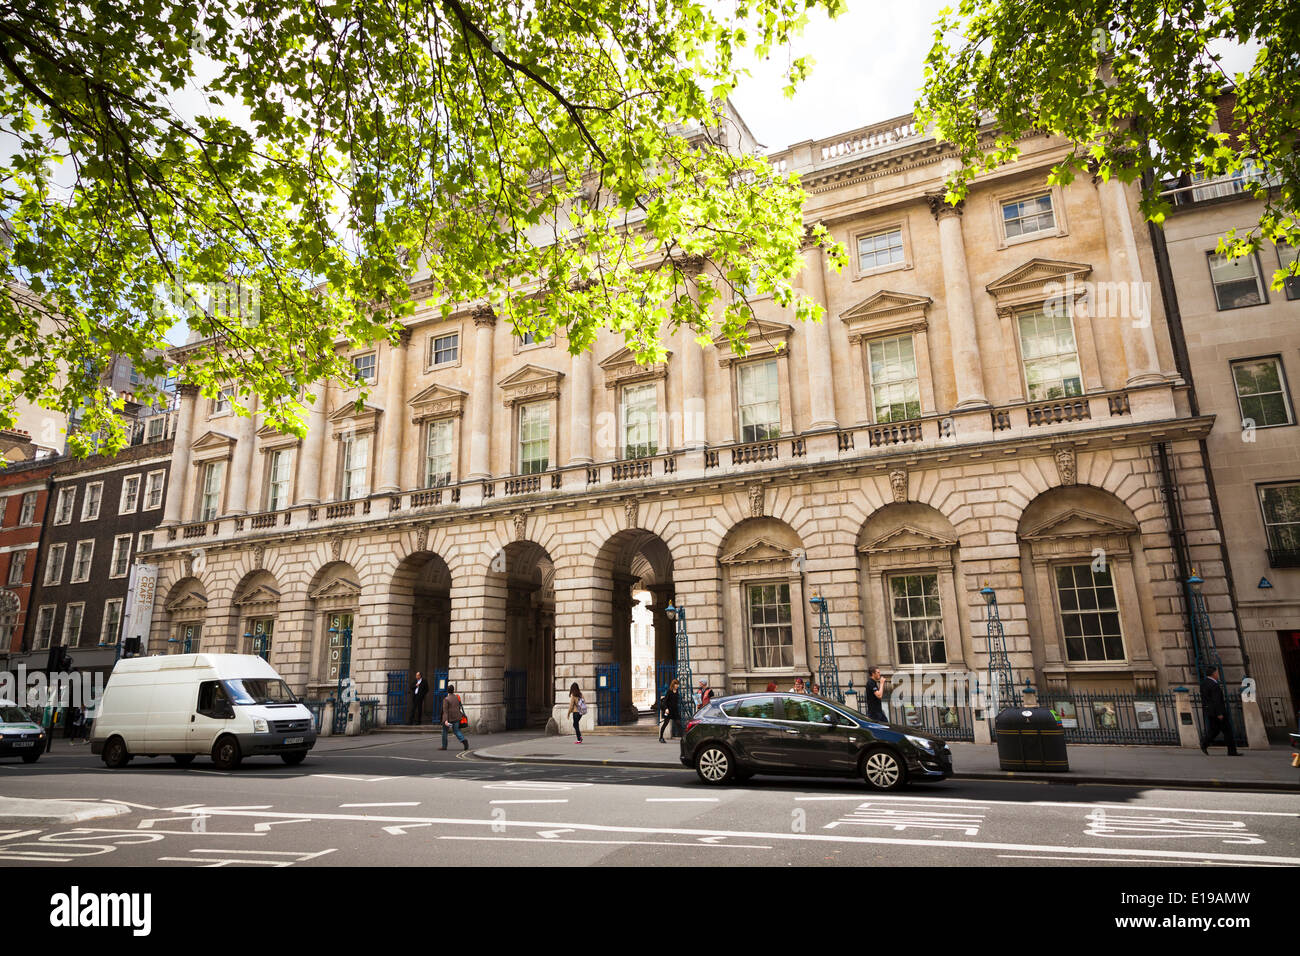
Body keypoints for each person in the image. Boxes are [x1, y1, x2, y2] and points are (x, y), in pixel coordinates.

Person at [1199, 666, 1239, 756]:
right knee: (1227, 731)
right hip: (1217, 712)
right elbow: (1216, 700)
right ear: (1213, 674)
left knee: (1215, 730)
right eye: (1217, 672)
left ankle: (1204, 743)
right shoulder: (1214, 685)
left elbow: (1206, 699)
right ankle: (1232, 751)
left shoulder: (1204, 683)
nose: (1218, 674)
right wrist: (1219, 713)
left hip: (1210, 711)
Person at [440, 683, 469, 751]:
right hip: (457, 717)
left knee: (444, 731)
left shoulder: (446, 699)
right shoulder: (456, 697)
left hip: (449, 718)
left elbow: (445, 711)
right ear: (453, 690)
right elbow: (459, 707)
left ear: (447, 691)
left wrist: (446, 720)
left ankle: (444, 746)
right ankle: (464, 740)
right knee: (456, 730)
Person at [658, 678, 680, 743]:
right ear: (673, 685)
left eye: (678, 684)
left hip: (675, 711)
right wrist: (666, 709)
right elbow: (665, 701)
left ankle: (684, 738)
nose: (677, 686)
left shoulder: (677, 691)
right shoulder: (669, 691)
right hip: (669, 711)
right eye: (676, 684)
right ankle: (661, 737)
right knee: (665, 723)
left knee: (679, 723)